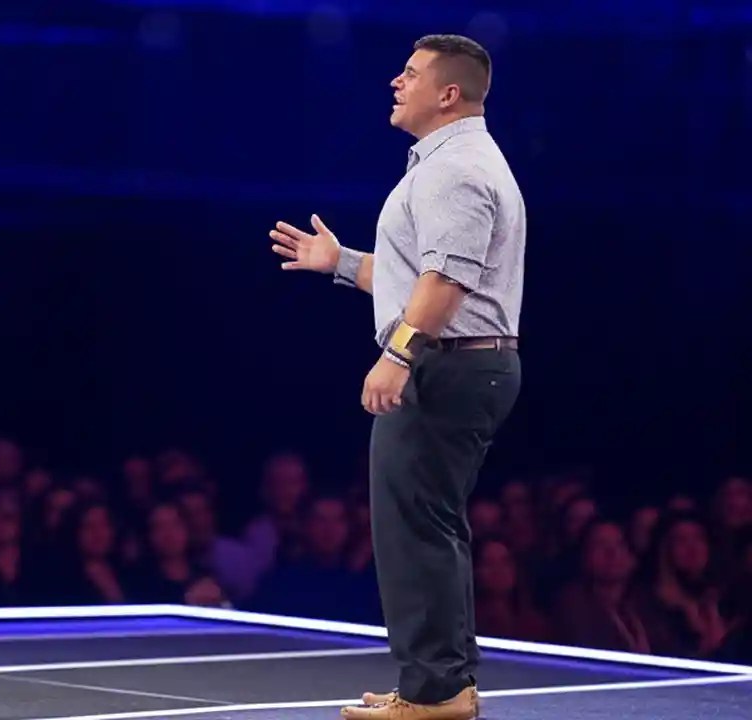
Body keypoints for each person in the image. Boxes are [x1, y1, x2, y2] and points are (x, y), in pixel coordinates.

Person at [269, 34, 524, 720]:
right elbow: (420, 278)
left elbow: (445, 282)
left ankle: (436, 691)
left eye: (410, 74)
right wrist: (342, 262)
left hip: (449, 365)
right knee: (424, 523)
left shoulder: (456, 169)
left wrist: (399, 355)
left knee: (417, 527)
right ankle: (436, 685)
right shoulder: (448, 164)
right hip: (461, 361)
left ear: (449, 92)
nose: (394, 82)